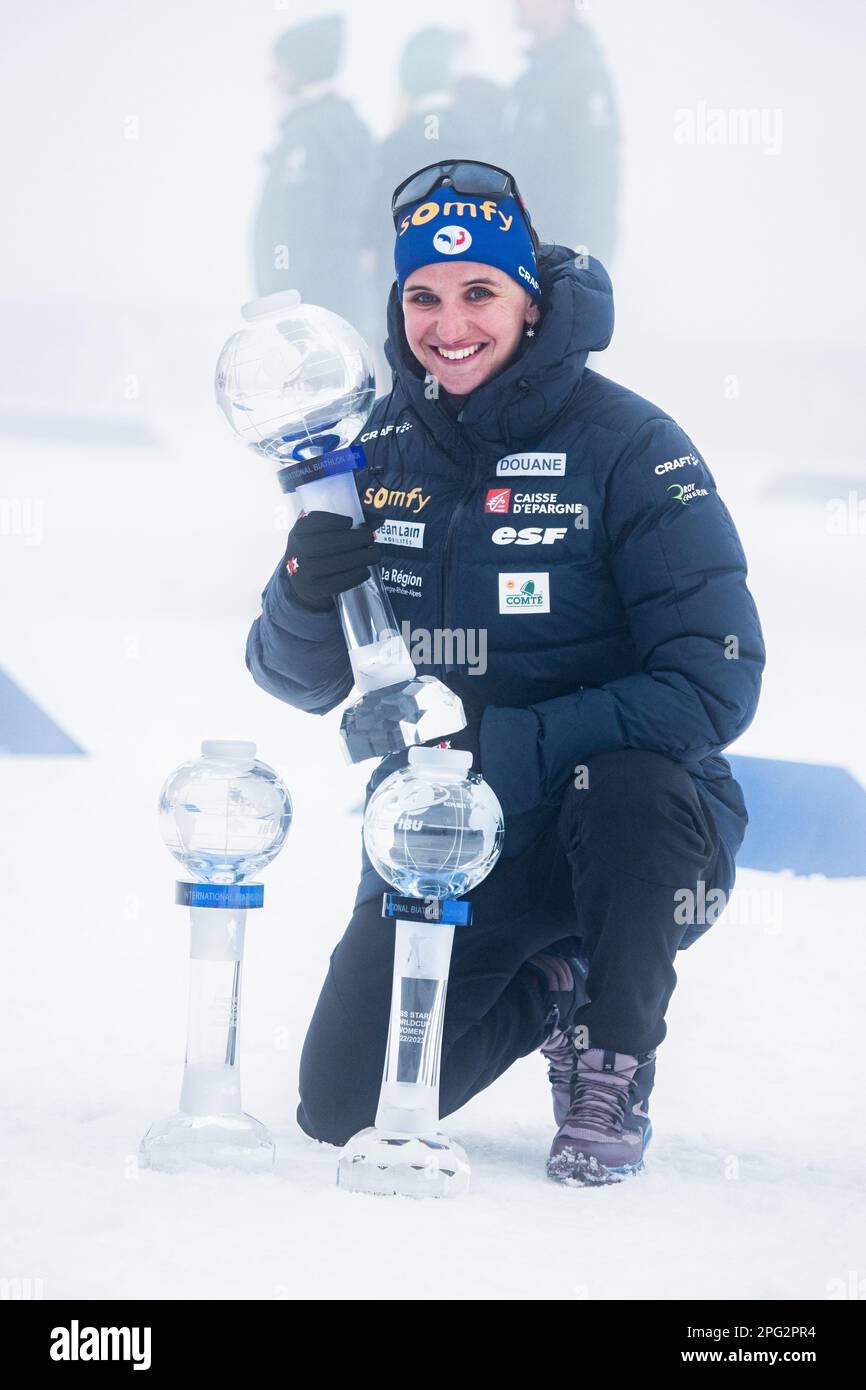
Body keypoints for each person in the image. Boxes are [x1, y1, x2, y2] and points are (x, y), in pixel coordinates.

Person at [245, 158, 765, 1185]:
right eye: (423, 297)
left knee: (622, 784)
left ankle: (613, 1054)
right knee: (343, 1104)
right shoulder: (375, 449)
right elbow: (296, 680)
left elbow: (714, 681)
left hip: (637, 832)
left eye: (480, 292)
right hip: (448, 839)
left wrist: (498, 748)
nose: (450, 324)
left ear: (530, 302)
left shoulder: (631, 444)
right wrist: (304, 588)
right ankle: (554, 986)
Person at [252, 14, 373, 332]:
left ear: (299, 68)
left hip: (311, 311)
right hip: (343, 306)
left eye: (279, 65)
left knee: (320, 381)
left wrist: (280, 301)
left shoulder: (309, 135)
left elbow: (296, 227)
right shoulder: (347, 125)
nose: (272, 77)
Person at [502, 0, 620, 264]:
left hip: (559, 266)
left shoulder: (583, 77)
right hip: (527, 260)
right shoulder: (531, 81)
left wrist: (582, 275)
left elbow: (597, 188)